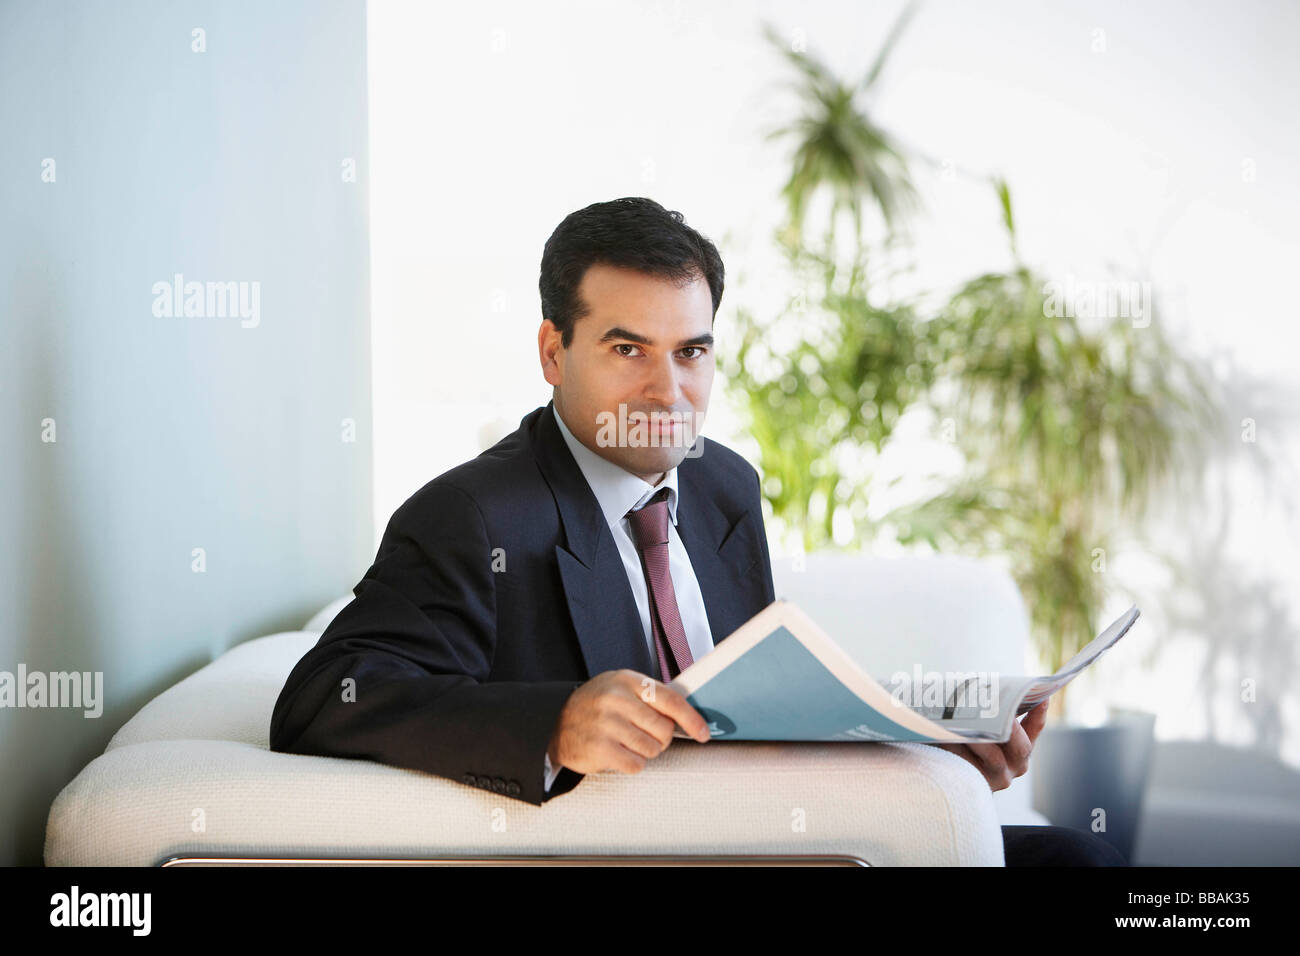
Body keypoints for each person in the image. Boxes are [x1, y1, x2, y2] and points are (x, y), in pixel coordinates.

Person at [269, 196, 1124, 866]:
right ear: (553, 352)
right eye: (628, 350)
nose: (668, 391)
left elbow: (746, 708)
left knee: (1074, 858)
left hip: (776, 837)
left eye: (691, 352)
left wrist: (926, 751)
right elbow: (323, 697)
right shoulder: (473, 516)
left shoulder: (723, 487)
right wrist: (554, 723)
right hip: (639, 856)